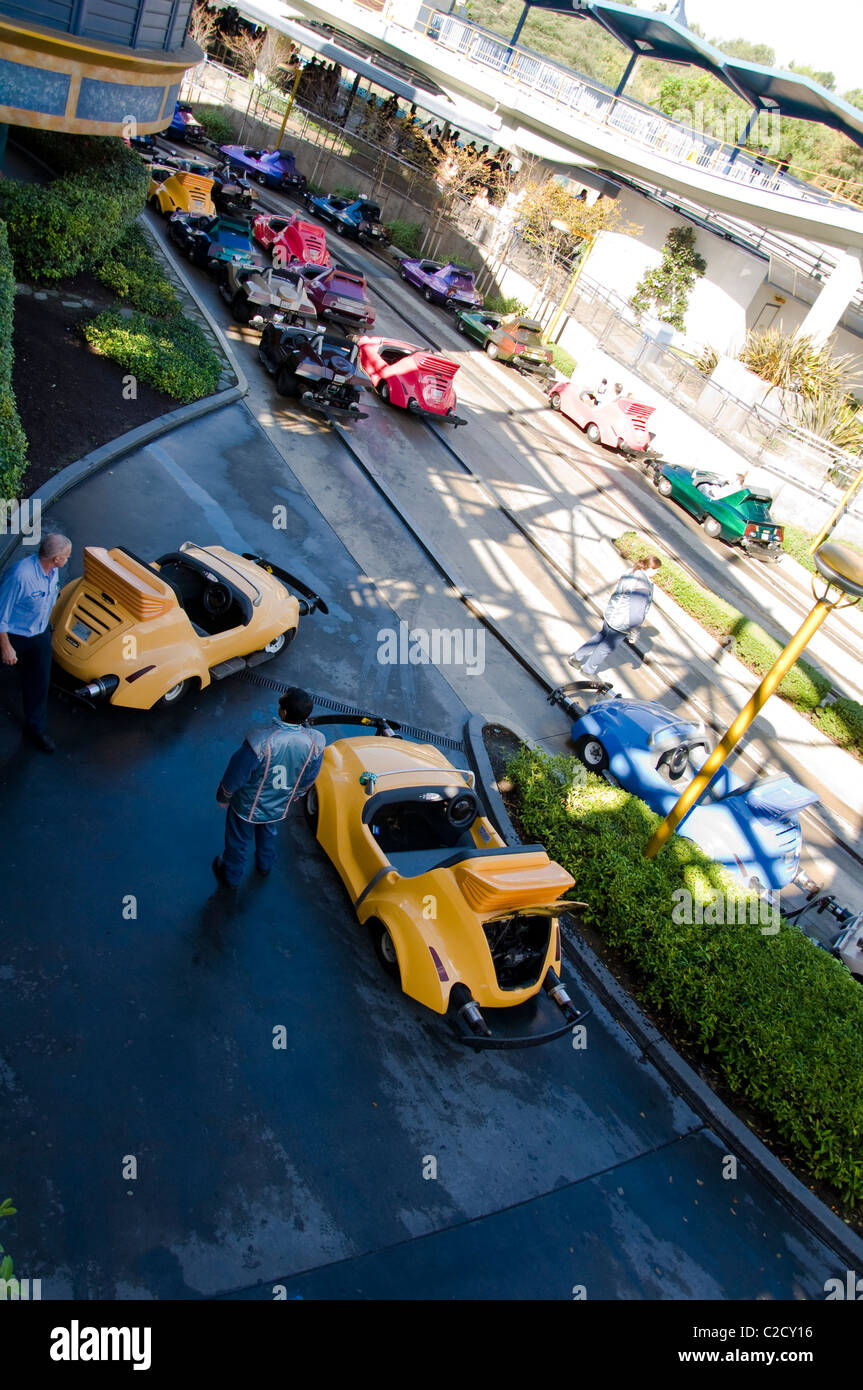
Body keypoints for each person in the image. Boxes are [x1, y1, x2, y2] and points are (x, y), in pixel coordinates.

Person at [213, 686, 326, 889]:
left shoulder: (260, 740)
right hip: (280, 803)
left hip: (247, 805)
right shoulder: (315, 741)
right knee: (268, 832)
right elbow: (310, 775)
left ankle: (231, 876)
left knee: (238, 840)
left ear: (283, 712)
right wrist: (297, 793)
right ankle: (264, 865)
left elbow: (236, 773)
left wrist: (224, 796)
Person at [0, 532, 72, 752]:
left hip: (39, 635)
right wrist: (6, 647)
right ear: (55, 558)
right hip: (14, 635)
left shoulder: (53, 572)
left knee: (39, 683)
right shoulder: (20, 576)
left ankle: (36, 730)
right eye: (66, 556)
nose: (68, 559)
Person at [569, 555, 662, 676]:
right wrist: (634, 632)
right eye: (656, 570)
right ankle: (588, 670)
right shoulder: (643, 586)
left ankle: (576, 657)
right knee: (606, 648)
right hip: (622, 622)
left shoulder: (631, 571)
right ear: (650, 568)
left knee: (600, 636)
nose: (657, 573)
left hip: (611, 613)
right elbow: (636, 613)